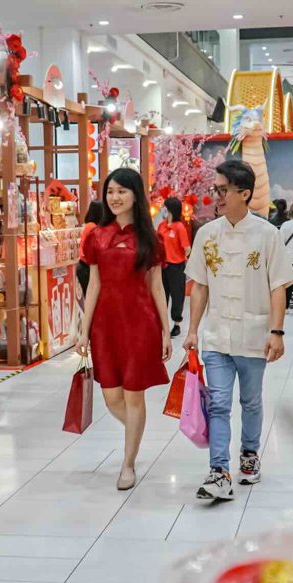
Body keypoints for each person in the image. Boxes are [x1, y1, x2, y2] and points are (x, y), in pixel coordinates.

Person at [184, 160, 293, 501]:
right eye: (214, 189)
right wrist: (192, 330)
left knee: (250, 401)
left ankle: (249, 454)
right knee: (218, 404)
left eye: (221, 190)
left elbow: (279, 286)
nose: (215, 196)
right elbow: (199, 285)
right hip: (216, 334)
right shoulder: (206, 234)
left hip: (253, 333)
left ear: (244, 194)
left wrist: (277, 332)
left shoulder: (267, 235)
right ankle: (218, 470)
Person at [76, 168, 171, 491]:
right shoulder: (95, 237)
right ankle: (137, 429)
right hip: (105, 325)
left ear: (136, 195)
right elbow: (93, 287)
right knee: (112, 395)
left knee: (133, 394)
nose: (114, 197)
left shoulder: (150, 238)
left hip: (140, 323)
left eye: (121, 191)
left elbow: (157, 287)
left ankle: (127, 463)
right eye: (110, 191)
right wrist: (83, 329)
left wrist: (165, 329)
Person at [158, 197, 191, 338]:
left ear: (171, 209)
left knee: (177, 295)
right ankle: (161, 324)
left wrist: (185, 261)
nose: (162, 210)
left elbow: (187, 248)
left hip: (176, 267)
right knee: (161, 295)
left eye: (165, 207)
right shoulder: (161, 225)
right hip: (162, 266)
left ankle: (177, 324)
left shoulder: (179, 227)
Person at [76, 200, 105, 298]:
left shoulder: (89, 225)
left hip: (84, 265)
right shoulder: (92, 227)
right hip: (86, 267)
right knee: (91, 296)